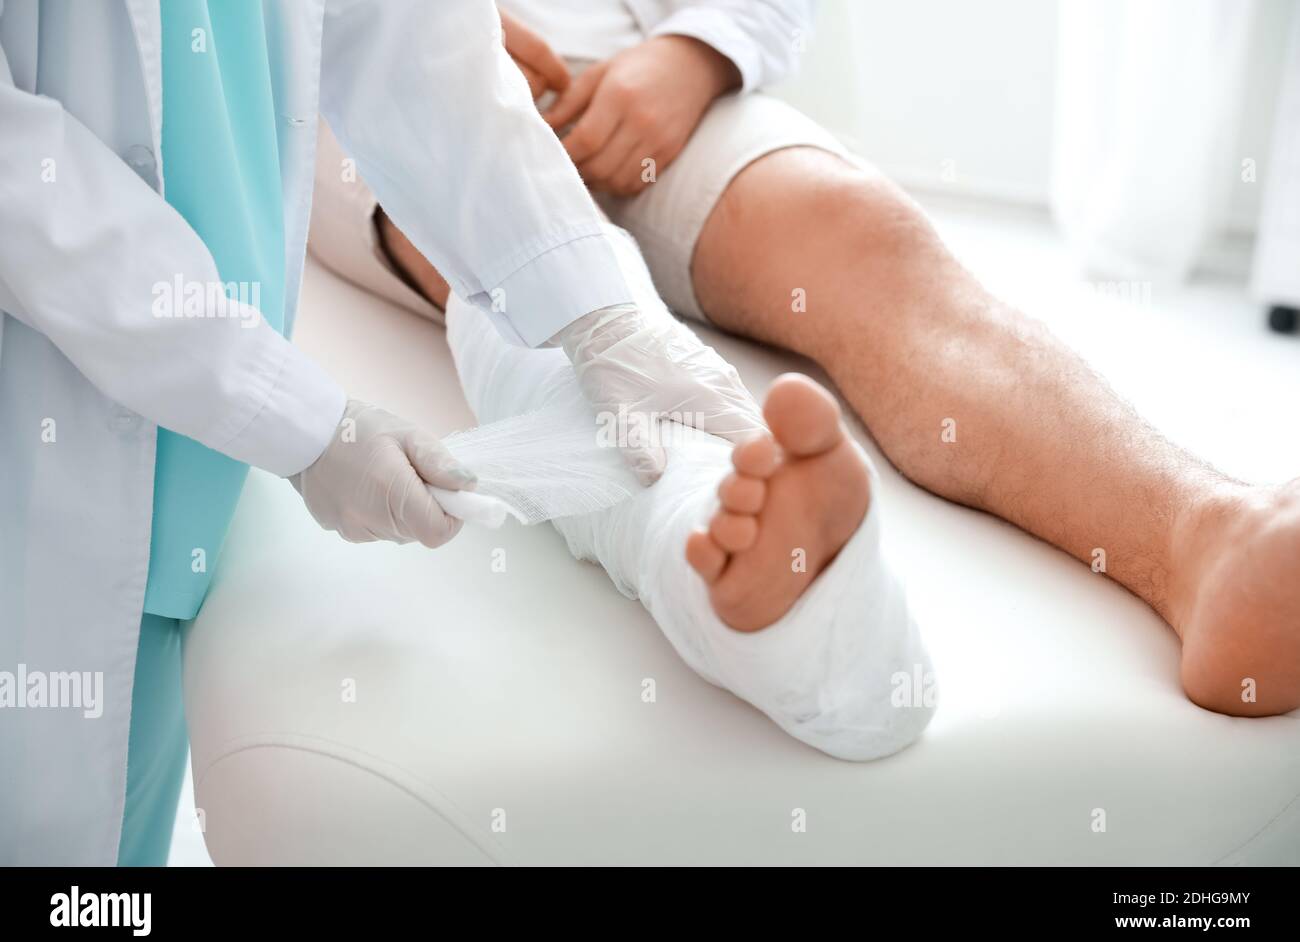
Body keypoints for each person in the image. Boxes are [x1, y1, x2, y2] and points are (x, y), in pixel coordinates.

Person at [311, 0, 1300, 722]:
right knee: (494, 284)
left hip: (638, 75)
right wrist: (434, 55)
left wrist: (698, 51)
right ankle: (739, 563)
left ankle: (1206, 538)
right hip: (377, 107)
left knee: (857, 237)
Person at [0, 0, 761, 866]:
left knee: (107, 866)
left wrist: (600, 313)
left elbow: (420, 45)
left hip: (181, 475)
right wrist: (299, 419)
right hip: (35, 430)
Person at [443, 225, 934, 760]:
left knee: (650, 452)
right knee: (484, 279)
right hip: (539, 192)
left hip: (667, 161)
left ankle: (705, 541)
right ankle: (729, 552)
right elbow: (466, 200)